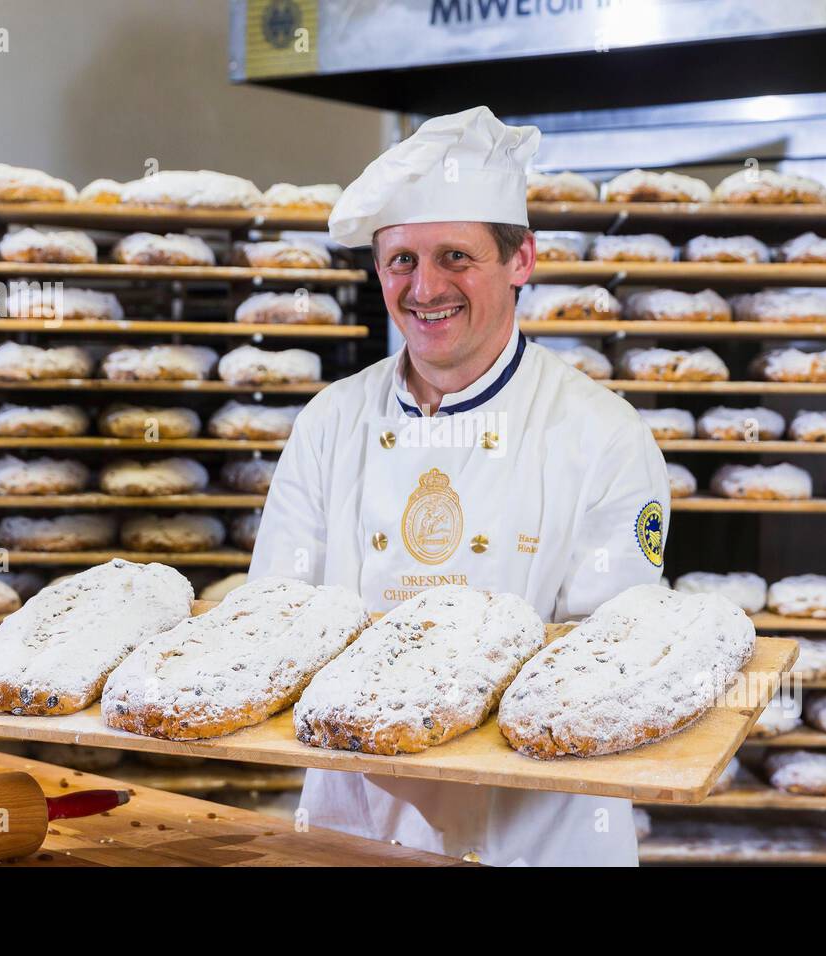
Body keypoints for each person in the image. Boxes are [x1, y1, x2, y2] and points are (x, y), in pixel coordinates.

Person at [249, 105, 671, 866]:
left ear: (521, 261)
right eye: (400, 260)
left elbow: (608, 665)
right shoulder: (331, 422)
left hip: (532, 838)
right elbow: (275, 623)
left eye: (455, 257)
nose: (425, 287)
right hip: (352, 826)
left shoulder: (603, 435)